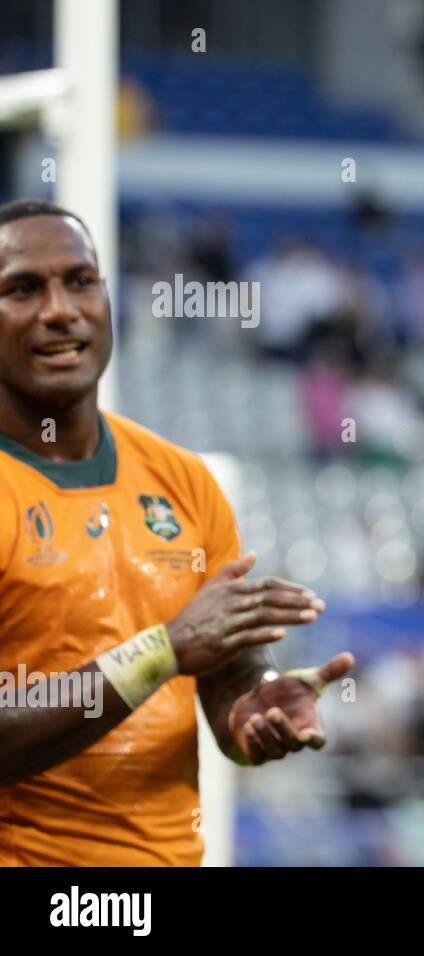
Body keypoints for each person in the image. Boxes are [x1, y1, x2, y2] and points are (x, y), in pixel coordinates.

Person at [0, 199, 352, 866]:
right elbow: (175, 651)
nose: (60, 310)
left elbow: (218, 670)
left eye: (80, 281)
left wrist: (249, 711)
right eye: (22, 289)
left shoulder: (182, 480)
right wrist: (160, 652)